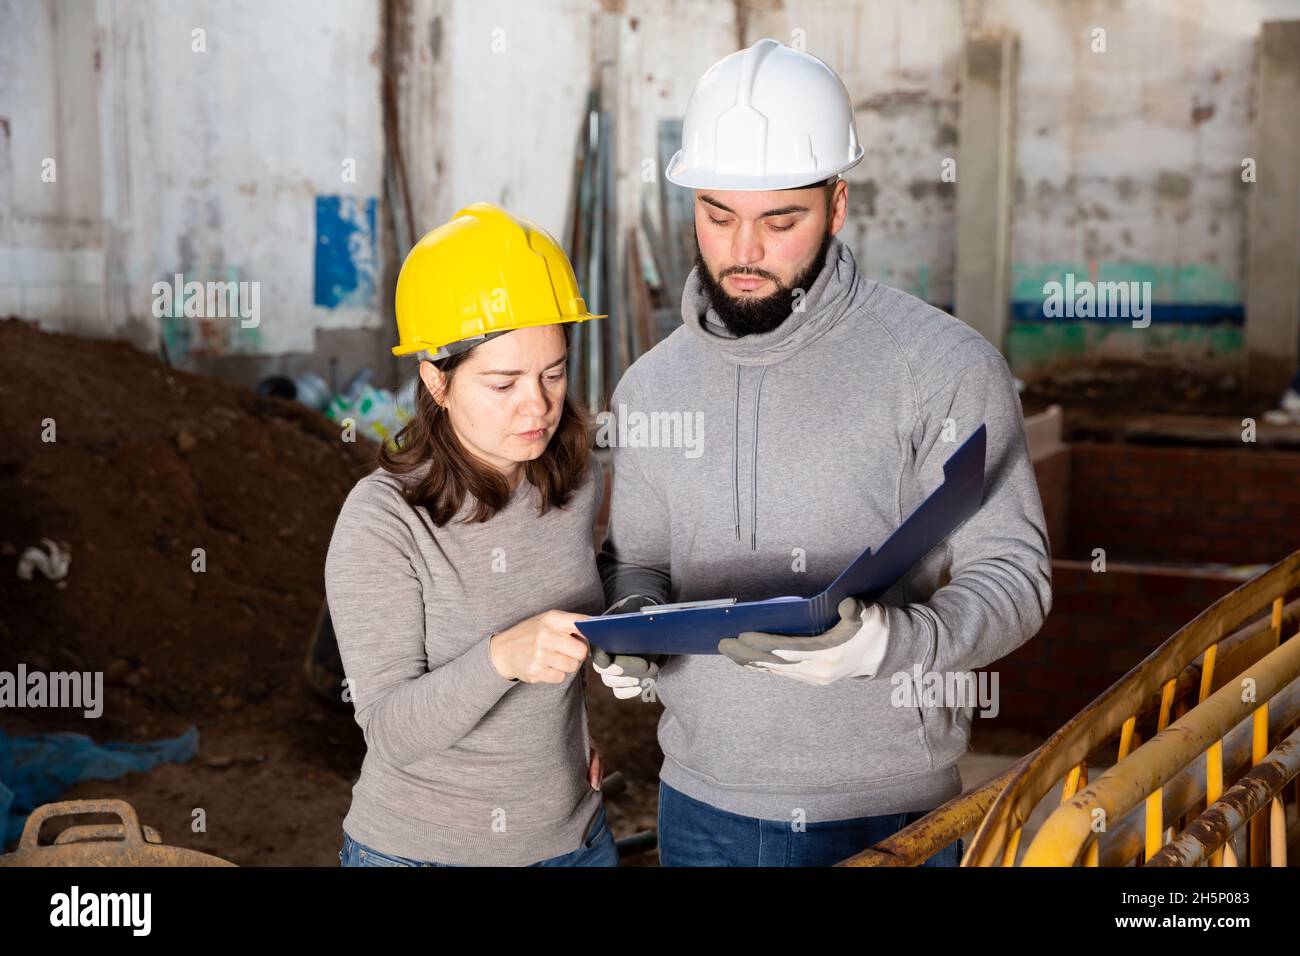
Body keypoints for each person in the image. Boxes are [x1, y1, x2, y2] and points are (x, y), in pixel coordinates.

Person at [593, 39, 1053, 867]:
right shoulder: (650, 389)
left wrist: (894, 644)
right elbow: (642, 566)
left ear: (837, 205)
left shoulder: (942, 366)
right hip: (701, 806)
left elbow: (1014, 577)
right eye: (718, 215)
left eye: (781, 221)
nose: (744, 252)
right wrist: (628, 627)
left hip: (891, 814)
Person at [326, 203, 617, 867]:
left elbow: (565, 653)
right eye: (502, 381)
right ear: (436, 377)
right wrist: (500, 657)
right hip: (424, 855)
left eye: (553, 372)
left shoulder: (575, 482)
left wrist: (569, 749)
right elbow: (391, 729)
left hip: (573, 841)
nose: (538, 406)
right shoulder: (384, 520)